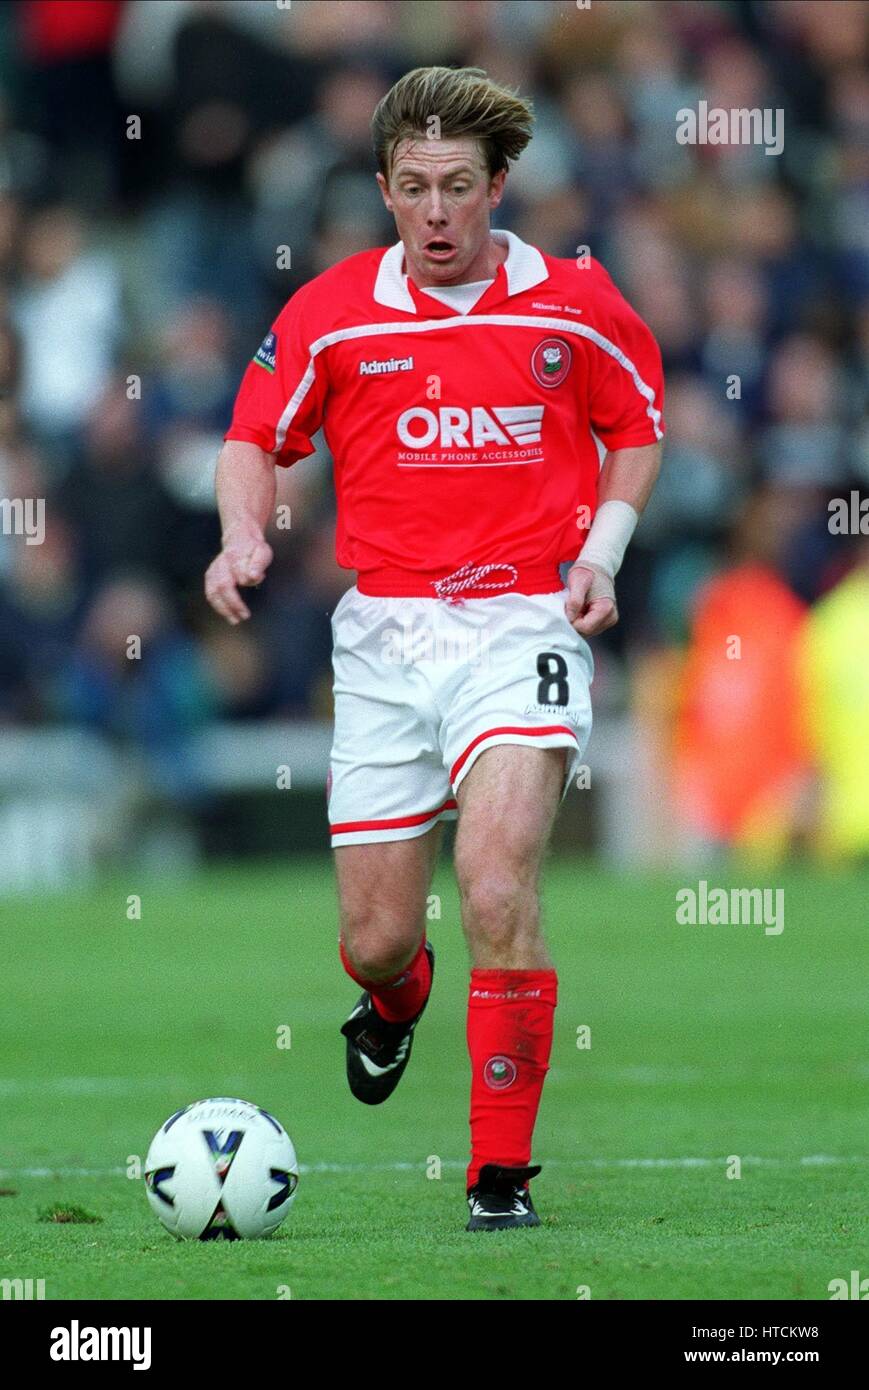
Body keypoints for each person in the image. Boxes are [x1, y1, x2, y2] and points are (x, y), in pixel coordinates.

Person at [205, 67, 664, 1230]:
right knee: (374, 938)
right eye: (413, 188)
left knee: (499, 882)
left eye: (459, 186)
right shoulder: (331, 314)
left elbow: (635, 427)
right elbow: (252, 437)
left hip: (525, 622)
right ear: (383, 190)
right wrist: (241, 535)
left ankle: (498, 1176)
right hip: (386, 636)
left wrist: (599, 552)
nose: (438, 211)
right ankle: (393, 1000)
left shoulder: (569, 302)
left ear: (498, 185)